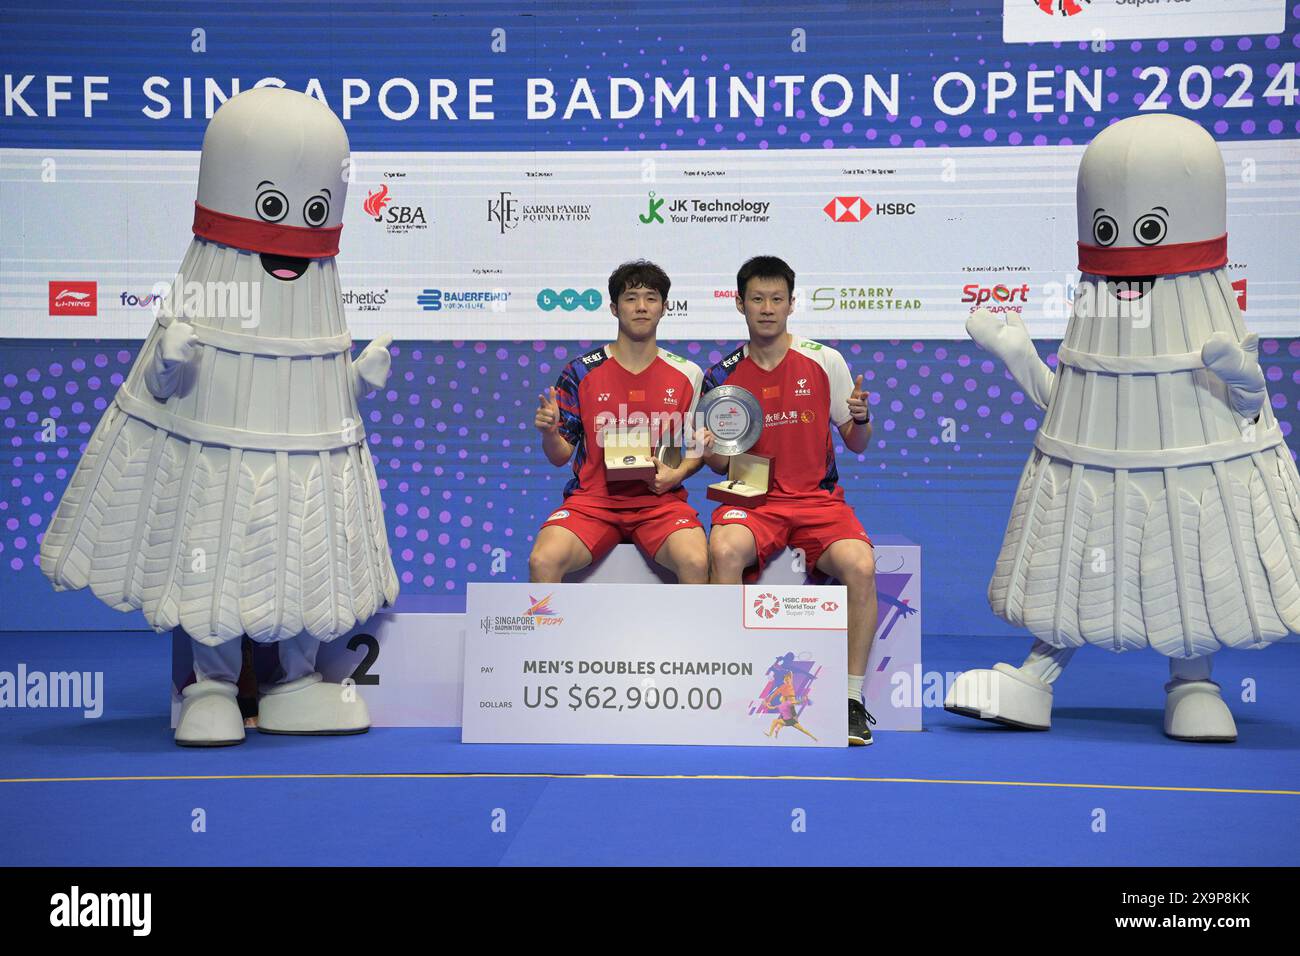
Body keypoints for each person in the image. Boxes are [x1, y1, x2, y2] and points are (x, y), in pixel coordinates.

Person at [704, 255, 879, 746]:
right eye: (757, 299)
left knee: (861, 565)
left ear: (791, 304)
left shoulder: (825, 361)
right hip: (753, 501)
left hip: (817, 501)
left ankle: (850, 700)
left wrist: (861, 418)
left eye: (776, 299)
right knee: (723, 551)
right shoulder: (721, 377)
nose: (767, 309)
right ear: (739, 303)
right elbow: (719, 467)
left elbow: (856, 442)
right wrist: (711, 446)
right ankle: (728, 681)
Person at [529, 260, 710, 583]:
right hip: (592, 502)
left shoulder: (688, 374)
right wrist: (549, 432)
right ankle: (549, 634)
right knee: (543, 560)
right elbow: (559, 456)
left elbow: (698, 449)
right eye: (631, 298)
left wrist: (677, 474)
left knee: (696, 560)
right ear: (614, 308)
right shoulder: (580, 372)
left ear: (665, 307)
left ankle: (691, 636)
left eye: (651, 298)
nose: (641, 307)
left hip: (660, 503)